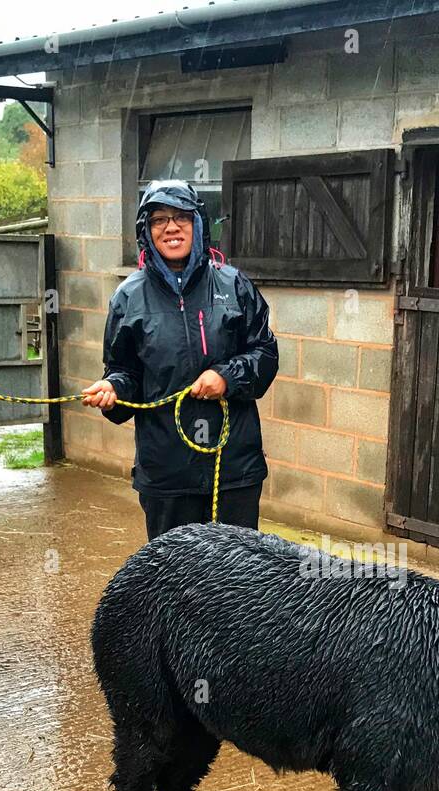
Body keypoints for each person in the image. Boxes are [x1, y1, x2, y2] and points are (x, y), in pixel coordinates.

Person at [82, 180, 278, 537]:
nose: (171, 227)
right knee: (174, 583)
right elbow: (125, 372)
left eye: (181, 217)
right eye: (159, 219)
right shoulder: (129, 298)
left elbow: (265, 354)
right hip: (166, 473)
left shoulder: (233, 286)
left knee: (237, 580)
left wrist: (227, 377)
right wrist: (112, 391)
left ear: (198, 224)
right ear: (147, 231)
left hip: (232, 468)